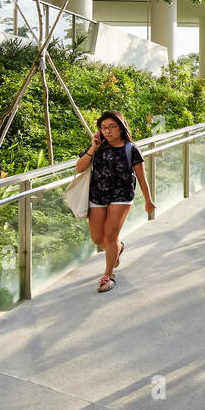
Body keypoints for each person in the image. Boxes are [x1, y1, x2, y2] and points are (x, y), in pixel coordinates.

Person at [76, 111, 153, 293]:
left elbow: (142, 178)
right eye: (104, 128)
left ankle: (109, 275)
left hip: (121, 196)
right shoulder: (98, 147)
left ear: (121, 127)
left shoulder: (130, 149)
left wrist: (148, 200)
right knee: (97, 239)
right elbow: (79, 168)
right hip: (97, 196)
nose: (108, 131)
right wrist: (93, 147)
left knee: (110, 237)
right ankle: (118, 249)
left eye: (112, 127)